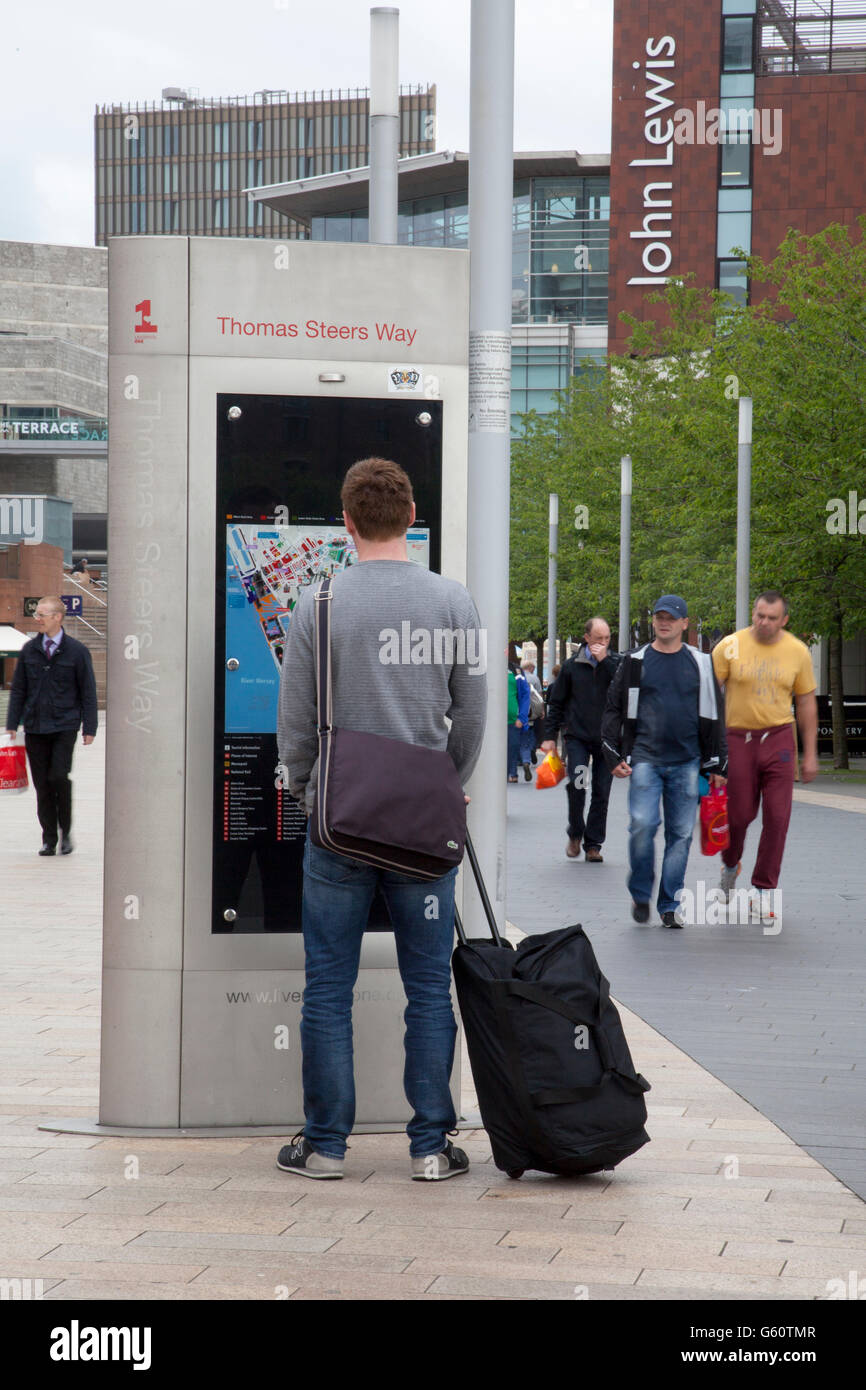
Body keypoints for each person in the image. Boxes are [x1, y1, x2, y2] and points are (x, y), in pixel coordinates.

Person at [276, 457, 487, 1181]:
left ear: (346, 521)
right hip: (425, 832)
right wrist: (442, 783)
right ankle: (431, 1147)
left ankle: (327, 1146)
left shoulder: (319, 603)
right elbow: (475, 717)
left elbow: (295, 722)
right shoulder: (454, 603)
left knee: (328, 984)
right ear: (411, 516)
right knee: (428, 986)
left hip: (339, 822)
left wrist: (309, 791)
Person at [601, 595, 727, 927]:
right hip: (645, 759)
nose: (663, 622)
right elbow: (614, 707)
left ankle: (669, 904)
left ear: (685, 623)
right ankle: (641, 893)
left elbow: (717, 714)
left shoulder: (701, 663)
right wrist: (612, 754)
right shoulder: (635, 661)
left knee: (681, 834)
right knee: (642, 825)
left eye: (671, 617)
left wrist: (718, 764)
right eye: (659, 617)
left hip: (687, 760)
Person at [712, 591, 818, 924]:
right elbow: (709, 697)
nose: (764, 622)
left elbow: (805, 703)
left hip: (778, 739)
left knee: (778, 817)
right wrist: (711, 753)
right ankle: (731, 865)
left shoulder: (798, 652)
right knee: (740, 815)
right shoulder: (728, 647)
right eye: (759, 615)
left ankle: (762, 889)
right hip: (737, 737)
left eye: (772, 618)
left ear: (784, 620)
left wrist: (811, 754)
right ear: (753, 613)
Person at [5, 596, 98, 855]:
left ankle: (65, 832)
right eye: (37, 614)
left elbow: (88, 692)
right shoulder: (29, 650)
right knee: (42, 784)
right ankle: (49, 838)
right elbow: (19, 690)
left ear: (57, 616)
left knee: (58, 777)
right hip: (35, 726)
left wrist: (90, 727)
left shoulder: (78, 651)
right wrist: (12, 723)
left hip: (64, 726)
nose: (38, 619)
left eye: (42, 614)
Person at [540, 616, 620, 862]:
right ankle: (575, 832)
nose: (602, 644)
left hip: (607, 739)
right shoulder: (572, 666)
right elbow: (557, 702)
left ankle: (593, 844)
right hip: (578, 737)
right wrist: (549, 736)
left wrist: (604, 660)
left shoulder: (615, 663)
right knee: (578, 783)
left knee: (602, 791)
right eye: (598, 639)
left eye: (606, 639)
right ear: (586, 638)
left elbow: (623, 691)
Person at [507, 658, 532, 782]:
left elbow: (525, 695)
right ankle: (501, 773)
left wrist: (522, 717)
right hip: (492, 720)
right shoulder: (487, 667)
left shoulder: (516, 670)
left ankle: (512, 773)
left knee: (513, 746)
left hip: (513, 719)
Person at [521, 660, 544, 762]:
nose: (534, 670)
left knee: (522, 732)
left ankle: (522, 756)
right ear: (530, 667)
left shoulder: (519, 677)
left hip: (521, 708)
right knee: (533, 731)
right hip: (534, 710)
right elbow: (540, 696)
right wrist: (542, 710)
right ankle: (532, 748)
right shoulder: (535, 678)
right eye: (533, 668)